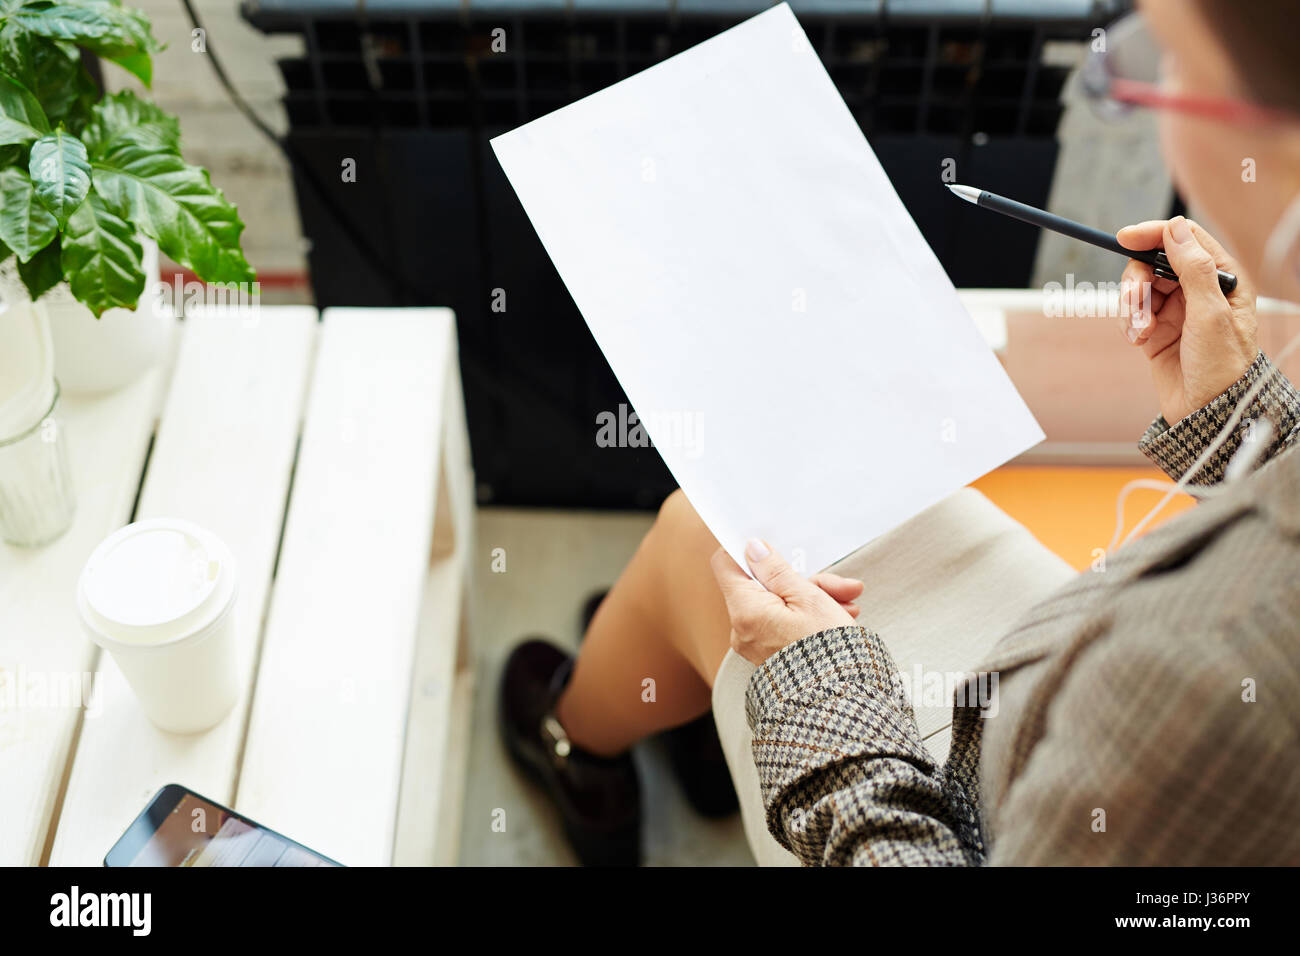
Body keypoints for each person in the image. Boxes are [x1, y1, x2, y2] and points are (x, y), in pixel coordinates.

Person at [499, 0, 1300, 866]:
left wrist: (819, 694)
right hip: (1070, 685)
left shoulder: (1219, 669)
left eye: (1169, 67)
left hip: (965, 799)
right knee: (759, 540)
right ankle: (683, 703)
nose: (1147, 96)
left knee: (713, 541)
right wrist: (1246, 427)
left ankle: (584, 745)